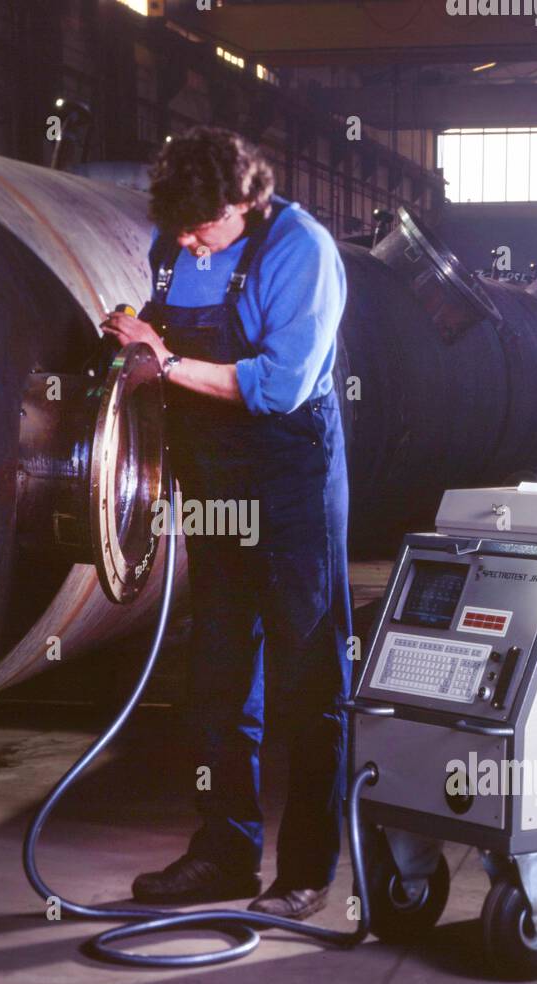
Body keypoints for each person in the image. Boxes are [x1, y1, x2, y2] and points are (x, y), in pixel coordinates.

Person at [101, 126, 351, 922]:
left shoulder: (300, 251)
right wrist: (133, 328)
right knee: (213, 672)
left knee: (306, 680)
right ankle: (222, 850)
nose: (185, 239)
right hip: (215, 483)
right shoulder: (177, 237)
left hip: (290, 479)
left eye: (202, 225)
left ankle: (307, 867)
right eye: (176, 225)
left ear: (248, 200)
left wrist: (164, 362)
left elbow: (278, 386)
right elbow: (169, 320)